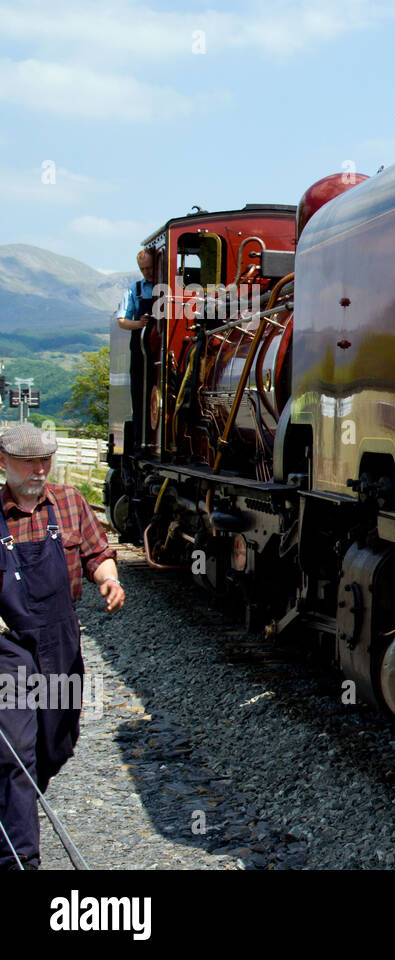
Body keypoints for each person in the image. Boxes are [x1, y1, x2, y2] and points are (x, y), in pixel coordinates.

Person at [0, 424, 124, 870]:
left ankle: (13, 809)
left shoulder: (69, 502)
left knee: (57, 743)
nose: (38, 469)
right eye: (28, 461)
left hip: (61, 641)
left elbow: (97, 553)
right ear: (3, 462)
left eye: (44, 461)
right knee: (15, 749)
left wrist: (108, 580)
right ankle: (19, 857)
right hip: (9, 648)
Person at [116, 248, 158, 452]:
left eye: (149, 268)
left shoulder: (172, 288)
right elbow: (122, 321)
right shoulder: (134, 290)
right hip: (142, 350)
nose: (147, 273)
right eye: (143, 269)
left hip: (163, 350)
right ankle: (142, 440)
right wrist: (139, 324)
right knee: (140, 393)